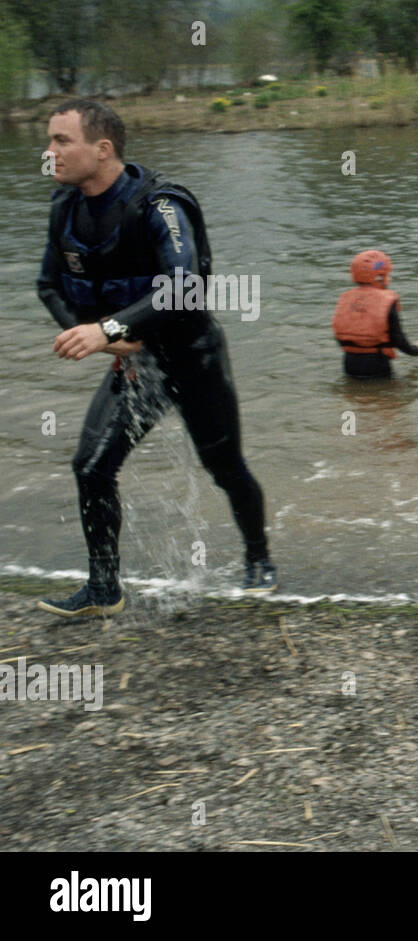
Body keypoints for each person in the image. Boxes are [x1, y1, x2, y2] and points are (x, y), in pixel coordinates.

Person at [35, 99, 276, 618]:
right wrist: (99, 335)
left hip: (192, 356)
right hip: (134, 363)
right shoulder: (65, 207)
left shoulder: (160, 204)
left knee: (224, 465)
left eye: (61, 141)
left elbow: (185, 286)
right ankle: (104, 588)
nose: (49, 152)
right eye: (49, 140)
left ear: (102, 150)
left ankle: (259, 559)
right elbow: (48, 284)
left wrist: (109, 328)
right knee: (91, 466)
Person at [332, 250, 418, 379]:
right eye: (387, 275)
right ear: (379, 276)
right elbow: (397, 338)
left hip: (349, 364)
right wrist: (416, 350)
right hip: (377, 365)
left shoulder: (345, 298)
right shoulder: (387, 300)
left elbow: (339, 334)